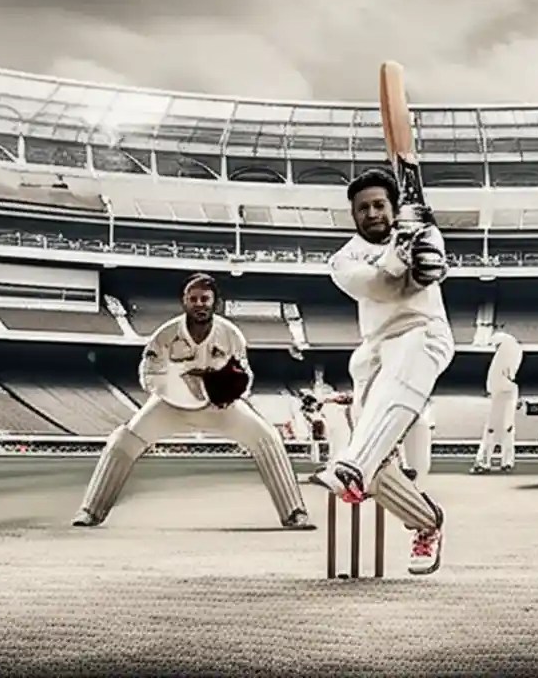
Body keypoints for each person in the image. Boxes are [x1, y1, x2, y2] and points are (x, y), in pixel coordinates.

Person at [72, 273, 316, 529]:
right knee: (123, 440)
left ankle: (294, 513)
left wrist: (226, 393)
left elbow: (245, 376)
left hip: (218, 407)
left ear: (215, 302)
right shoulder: (165, 335)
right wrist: (178, 386)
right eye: (193, 299)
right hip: (169, 406)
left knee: (267, 438)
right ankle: (90, 510)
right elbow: (148, 375)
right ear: (185, 302)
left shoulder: (230, 335)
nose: (199, 304)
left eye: (205, 299)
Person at [310, 167, 452, 575]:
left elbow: (430, 271)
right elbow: (381, 286)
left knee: (357, 461)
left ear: (393, 208)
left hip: (423, 335)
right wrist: (400, 253)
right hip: (373, 350)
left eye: (379, 205)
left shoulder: (421, 230)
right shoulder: (343, 259)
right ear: (353, 214)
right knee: (374, 473)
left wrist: (423, 246)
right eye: (363, 208)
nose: (372, 213)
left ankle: (350, 464)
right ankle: (427, 523)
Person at [472, 330, 522, 474]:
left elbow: (505, 375)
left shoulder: (504, 353)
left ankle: (484, 462)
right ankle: (506, 462)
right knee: (507, 428)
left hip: (501, 391)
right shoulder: (515, 351)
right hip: (507, 390)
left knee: (492, 429)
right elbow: (511, 374)